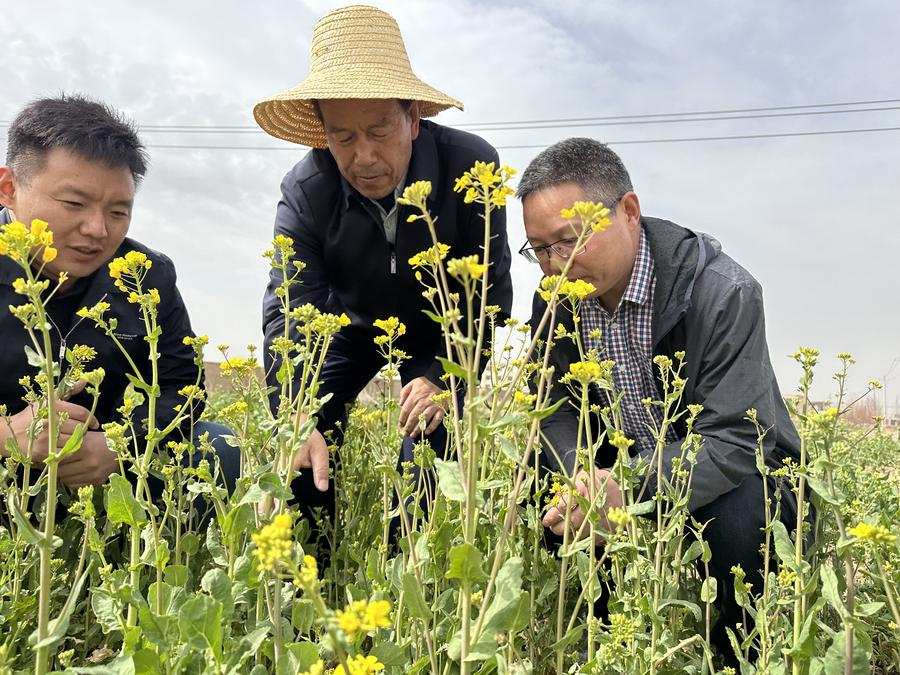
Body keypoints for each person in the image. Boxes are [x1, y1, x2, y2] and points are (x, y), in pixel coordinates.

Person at [517, 137, 804, 657]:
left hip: (725, 476)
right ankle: (601, 646)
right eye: (539, 249)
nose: (555, 266)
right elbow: (553, 407)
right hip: (620, 473)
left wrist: (626, 486)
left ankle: (740, 651)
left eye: (570, 240)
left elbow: (738, 439)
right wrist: (582, 483)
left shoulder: (723, 292)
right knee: (549, 493)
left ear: (628, 211)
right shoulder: (557, 299)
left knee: (743, 513)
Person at [254, 6, 513, 518]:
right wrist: (296, 409)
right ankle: (312, 568)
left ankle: (411, 573)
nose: (364, 157)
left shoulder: (472, 168)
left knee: (430, 444)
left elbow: (490, 295)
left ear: (413, 118)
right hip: (350, 326)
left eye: (378, 131)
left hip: (442, 332)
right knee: (303, 445)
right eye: (343, 137)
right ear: (322, 132)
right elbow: (290, 309)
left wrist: (445, 376)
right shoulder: (307, 190)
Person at [0, 94, 238, 494]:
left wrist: (120, 446)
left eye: (117, 212)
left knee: (219, 449)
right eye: (74, 203)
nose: (97, 229)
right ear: (8, 189)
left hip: (92, 476)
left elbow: (183, 384)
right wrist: (7, 436)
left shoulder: (145, 276)